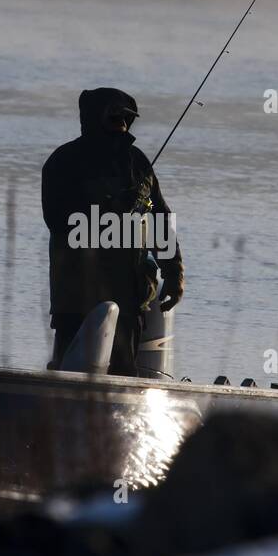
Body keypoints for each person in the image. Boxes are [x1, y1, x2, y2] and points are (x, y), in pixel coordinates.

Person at [41, 87, 184, 374]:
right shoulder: (64, 161)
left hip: (130, 297)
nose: (121, 123)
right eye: (114, 116)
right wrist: (113, 210)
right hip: (76, 297)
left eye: (126, 117)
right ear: (94, 118)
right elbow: (58, 222)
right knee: (67, 371)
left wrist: (173, 273)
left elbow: (160, 219)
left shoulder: (138, 163)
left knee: (124, 375)